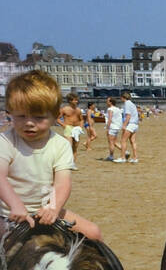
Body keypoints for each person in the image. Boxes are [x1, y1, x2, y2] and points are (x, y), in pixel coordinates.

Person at [0, 71, 101, 240]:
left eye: (39, 117)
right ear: (10, 112)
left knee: (94, 233)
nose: (29, 123)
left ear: (55, 116)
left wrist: (53, 208)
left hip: (46, 210)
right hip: (7, 212)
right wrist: (15, 205)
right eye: (21, 116)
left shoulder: (60, 145)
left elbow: (62, 183)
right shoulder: (6, 142)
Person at [119, 90, 140, 163]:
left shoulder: (127, 104)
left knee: (123, 140)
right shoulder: (132, 104)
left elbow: (128, 116)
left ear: (123, 97)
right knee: (132, 141)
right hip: (135, 124)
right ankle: (135, 158)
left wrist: (124, 125)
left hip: (130, 124)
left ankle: (122, 157)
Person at [104, 97, 124, 162]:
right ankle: (125, 151)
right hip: (117, 127)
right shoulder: (117, 109)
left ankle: (111, 156)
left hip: (112, 127)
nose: (106, 102)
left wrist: (107, 128)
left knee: (111, 143)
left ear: (110, 102)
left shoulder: (110, 109)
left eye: (107, 101)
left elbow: (109, 119)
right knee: (115, 142)